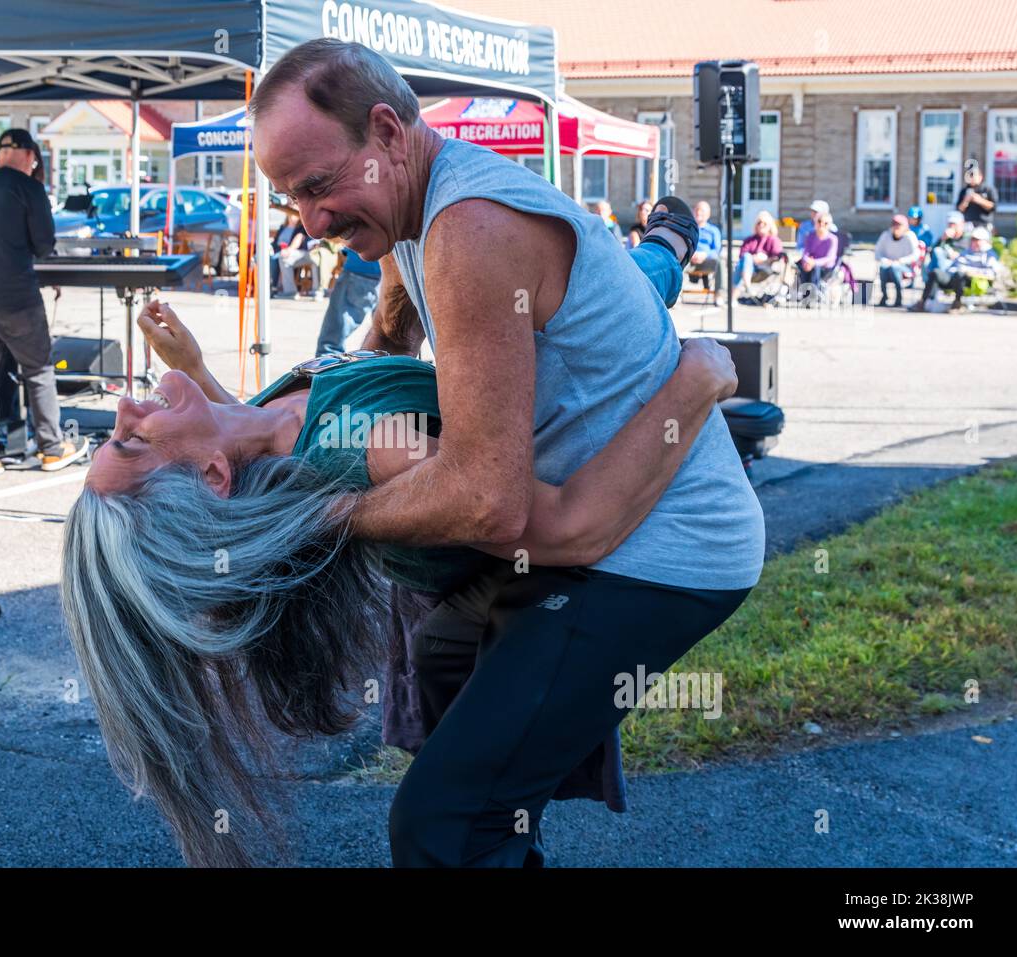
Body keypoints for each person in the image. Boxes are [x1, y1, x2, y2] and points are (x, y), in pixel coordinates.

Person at [63, 204, 732, 867]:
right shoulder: (374, 455)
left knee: (477, 820)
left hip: (510, 518)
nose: (122, 409)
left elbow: (287, 416)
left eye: (111, 431)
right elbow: (565, 522)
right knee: (624, 285)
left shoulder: (265, 436)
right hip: (596, 475)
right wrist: (695, 384)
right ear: (210, 477)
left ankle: (668, 242)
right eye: (131, 441)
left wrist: (386, 315)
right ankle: (671, 241)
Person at [246, 39, 761, 868]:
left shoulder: (469, 227)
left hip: (660, 554)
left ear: (387, 131)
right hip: (569, 528)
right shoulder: (417, 217)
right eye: (290, 200)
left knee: (442, 823)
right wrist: (390, 311)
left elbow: (487, 500)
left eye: (317, 186)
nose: (310, 222)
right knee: (444, 674)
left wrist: (319, 518)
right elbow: (397, 378)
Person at [0, 127, 87, 479]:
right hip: (12, 293)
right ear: (30, 157)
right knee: (39, 369)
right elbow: (44, 244)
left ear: (1, 153)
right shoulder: (29, 187)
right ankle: (52, 449)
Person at [911, 227, 1000, 312]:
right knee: (935, 272)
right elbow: (954, 266)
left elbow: (992, 273)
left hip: (971, 281)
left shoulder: (989, 255)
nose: (974, 242)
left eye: (977, 240)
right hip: (953, 277)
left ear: (985, 241)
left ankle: (957, 303)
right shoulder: (967, 251)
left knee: (960, 274)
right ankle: (924, 302)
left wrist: (971, 271)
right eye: (973, 239)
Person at [314, 246, 381, 355]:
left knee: (330, 345)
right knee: (388, 341)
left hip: (360, 268)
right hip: (391, 272)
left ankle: (329, 368)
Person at [873, 213, 921, 308]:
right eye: (894, 224)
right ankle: (884, 296)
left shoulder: (910, 236)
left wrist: (900, 261)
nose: (896, 227)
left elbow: (916, 255)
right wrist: (885, 260)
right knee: (883, 267)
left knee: (895, 268)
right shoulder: (886, 235)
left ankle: (898, 298)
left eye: (899, 224)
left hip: (905, 268)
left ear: (905, 226)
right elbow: (877, 253)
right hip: (888, 265)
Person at [733, 209, 783, 299]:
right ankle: (746, 286)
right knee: (746, 259)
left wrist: (765, 260)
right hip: (750, 268)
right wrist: (752, 259)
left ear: (770, 226)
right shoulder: (749, 240)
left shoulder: (774, 240)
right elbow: (742, 255)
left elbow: (778, 256)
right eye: (759, 222)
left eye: (764, 223)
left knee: (742, 266)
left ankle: (735, 295)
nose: (761, 225)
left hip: (764, 269)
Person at [795, 211, 839, 307]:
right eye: (819, 221)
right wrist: (806, 261)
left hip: (825, 267)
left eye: (825, 223)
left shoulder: (832, 239)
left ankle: (812, 296)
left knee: (815, 268)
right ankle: (804, 294)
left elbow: (829, 258)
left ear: (829, 225)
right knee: (800, 266)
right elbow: (805, 252)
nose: (822, 224)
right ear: (815, 222)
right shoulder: (810, 236)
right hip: (809, 263)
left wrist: (813, 262)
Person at [270, 210, 314, 296]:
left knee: (274, 259)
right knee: (265, 258)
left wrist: (289, 249)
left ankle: (274, 287)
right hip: (278, 250)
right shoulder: (282, 227)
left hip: (289, 251)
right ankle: (268, 286)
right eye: (290, 215)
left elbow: (298, 239)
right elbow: (275, 241)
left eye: (293, 215)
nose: (291, 217)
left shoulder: (300, 228)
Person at [688, 200, 723, 303]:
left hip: (707, 260)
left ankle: (719, 295)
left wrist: (705, 254)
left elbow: (717, 250)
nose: (699, 213)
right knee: (676, 260)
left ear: (708, 215)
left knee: (721, 261)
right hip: (689, 260)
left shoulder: (713, 230)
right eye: (697, 210)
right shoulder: (688, 228)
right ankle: (676, 295)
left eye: (702, 211)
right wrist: (691, 254)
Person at [957, 159, 997, 234]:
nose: (971, 178)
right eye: (970, 175)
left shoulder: (988, 189)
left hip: (984, 224)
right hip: (968, 224)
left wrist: (979, 200)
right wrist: (966, 201)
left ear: (980, 176)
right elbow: (959, 209)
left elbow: (993, 207)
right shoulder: (964, 190)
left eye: (973, 175)